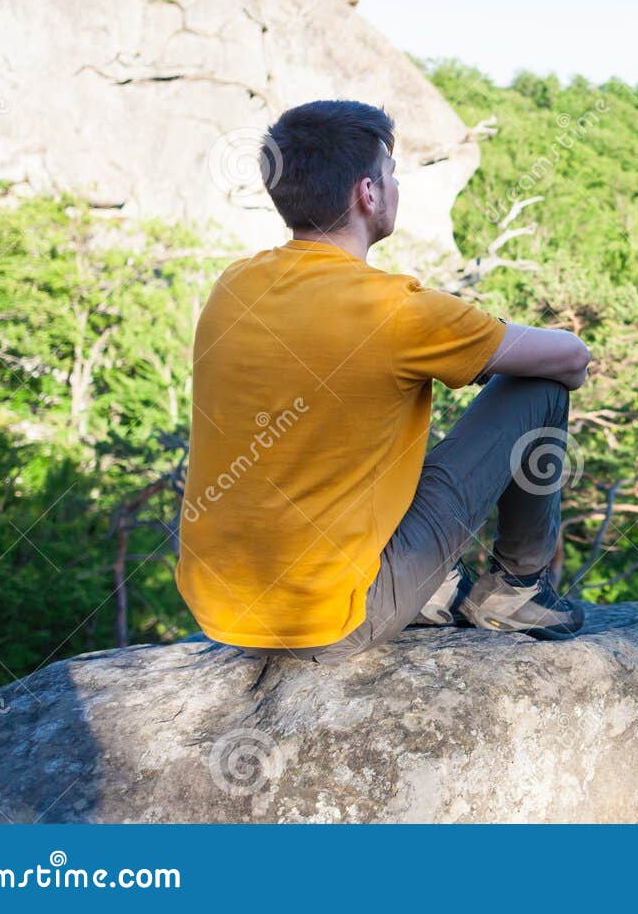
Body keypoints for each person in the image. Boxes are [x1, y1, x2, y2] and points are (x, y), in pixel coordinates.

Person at [175, 100, 591, 662]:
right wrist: (484, 357)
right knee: (536, 388)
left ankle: (437, 588)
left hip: (222, 609)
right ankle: (514, 592)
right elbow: (569, 359)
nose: (396, 186)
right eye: (391, 175)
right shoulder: (398, 310)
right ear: (368, 194)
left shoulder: (234, 286)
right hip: (337, 620)